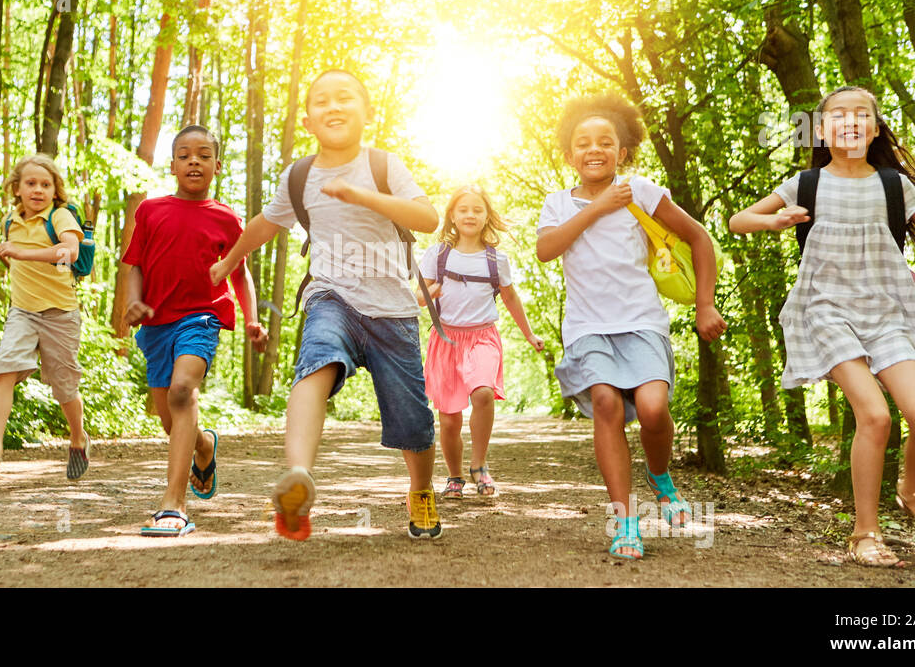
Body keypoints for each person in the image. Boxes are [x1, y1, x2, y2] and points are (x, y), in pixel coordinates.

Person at [210, 69, 443, 540]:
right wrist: (229, 260)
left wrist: (363, 195)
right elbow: (264, 224)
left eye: (345, 98)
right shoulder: (300, 176)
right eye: (321, 100)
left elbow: (427, 217)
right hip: (331, 295)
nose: (333, 106)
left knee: (412, 418)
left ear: (367, 113)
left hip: (393, 310)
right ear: (308, 121)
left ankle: (421, 490)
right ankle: (298, 476)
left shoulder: (384, 165)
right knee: (316, 361)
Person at [729, 86, 915, 567]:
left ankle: (912, 490)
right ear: (820, 130)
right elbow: (737, 220)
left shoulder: (894, 186)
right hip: (826, 309)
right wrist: (774, 221)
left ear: (874, 130)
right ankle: (864, 534)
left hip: (887, 312)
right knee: (874, 416)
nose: (850, 121)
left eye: (861, 114)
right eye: (838, 114)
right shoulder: (805, 183)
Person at [536, 91, 727, 559]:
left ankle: (659, 476)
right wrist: (599, 207)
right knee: (606, 404)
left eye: (605, 142)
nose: (594, 149)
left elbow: (698, 238)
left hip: (642, 321)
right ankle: (625, 522)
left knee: (654, 408)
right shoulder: (557, 204)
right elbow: (546, 250)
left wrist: (705, 305)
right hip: (587, 326)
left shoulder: (640, 190)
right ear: (570, 156)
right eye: (583, 143)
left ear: (621, 153)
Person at [122, 125, 267, 536]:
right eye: (184, 155)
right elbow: (134, 265)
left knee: (183, 390)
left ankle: (174, 504)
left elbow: (240, 274)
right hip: (156, 324)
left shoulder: (226, 217)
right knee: (171, 421)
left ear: (217, 166)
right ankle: (203, 445)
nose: (194, 162)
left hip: (201, 317)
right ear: (172, 166)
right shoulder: (150, 211)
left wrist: (252, 319)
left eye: (204, 155)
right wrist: (134, 302)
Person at [415, 185, 543, 500]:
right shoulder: (437, 255)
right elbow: (416, 296)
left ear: (487, 216)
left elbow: (510, 298)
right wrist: (428, 293)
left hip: (483, 337)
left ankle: (479, 464)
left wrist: (529, 334)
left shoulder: (496, 260)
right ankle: (455, 476)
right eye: (463, 210)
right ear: (452, 216)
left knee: (483, 393)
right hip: (446, 340)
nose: (470, 215)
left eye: (477, 210)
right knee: (449, 420)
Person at [0, 154, 90, 480]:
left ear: (55, 190)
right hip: (21, 312)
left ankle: (78, 438)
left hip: (60, 314)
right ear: (17, 188)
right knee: (3, 371)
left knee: (65, 388)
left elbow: (70, 252)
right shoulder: (10, 221)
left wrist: (22, 253)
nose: (38, 190)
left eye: (45, 184)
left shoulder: (60, 216)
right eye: (31, 183)